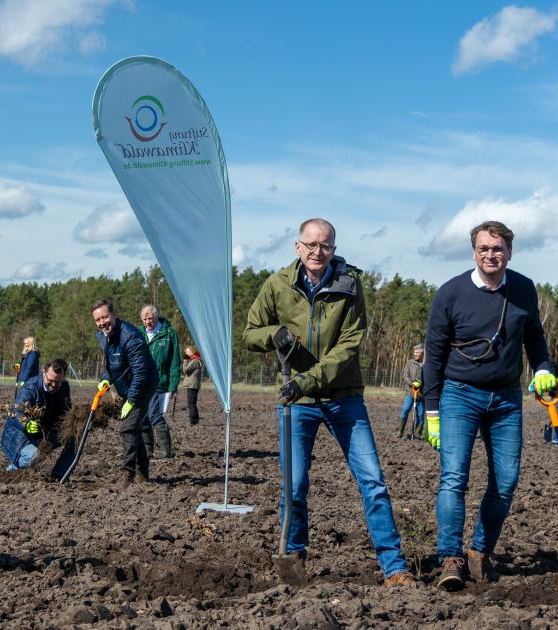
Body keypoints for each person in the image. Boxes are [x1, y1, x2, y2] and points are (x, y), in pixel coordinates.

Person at [243, 217, 415, 587]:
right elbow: (249, 333)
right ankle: (293, 554)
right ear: (298, 247)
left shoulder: (350, 285)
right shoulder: (276, 285)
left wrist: (309, 379)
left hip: (343, 397)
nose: (318, 252)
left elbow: (350, 344)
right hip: (296, 401)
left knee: (373, 481)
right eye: (312, 245)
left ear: (334, 249)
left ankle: (394, 566)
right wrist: (276, 334)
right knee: (294, 484)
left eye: (326, 246)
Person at [423, 220, 555, 591]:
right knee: (454, 478)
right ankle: (451, 556)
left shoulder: (524, 290)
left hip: (507, 400)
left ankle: (481, 550)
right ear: (473, 252)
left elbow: (536, 341)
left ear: (509, 252)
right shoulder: (450, 293)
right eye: (483, 248)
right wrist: (432, 411)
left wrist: (544, 369)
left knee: (507, 481)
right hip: (459, 395)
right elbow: (433, 356)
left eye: (497, 249)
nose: (490, 255)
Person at [92, 299, 157, 484]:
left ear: (113, 315)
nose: (102, 322)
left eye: (105, 317)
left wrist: (131, 400)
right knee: (134, 428)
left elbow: (140, 372)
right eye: (98, 319)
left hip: (143, 384)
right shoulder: (103, 335)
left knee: (128, 426)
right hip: (127, 384)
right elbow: (113, 363)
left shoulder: (131, 336)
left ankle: (127, 472)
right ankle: (142, 473)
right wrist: (105, 378)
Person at [1, 358, 73, 471]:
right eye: (50, 380)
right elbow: (16, 412)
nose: (54, 385)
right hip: (20, 435)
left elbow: (67, 409)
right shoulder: (30, 388)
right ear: (43, 372)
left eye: (58, 381)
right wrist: (27, 424)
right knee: (33, 456)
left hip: (45, 432)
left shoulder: (64, 386)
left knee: (75, 438)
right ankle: (14, 469)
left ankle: (58, 476)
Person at [139, 304, 180, 459]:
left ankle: (165, 450)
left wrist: (173, 385)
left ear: (156, 317)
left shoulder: (169, 334)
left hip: (159, 382)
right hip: (141, 382)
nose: (148, 322)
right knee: (142, 416)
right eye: (145, 319)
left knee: (155, 414)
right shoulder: (139, 333)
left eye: (150, 318)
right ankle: (148, 450)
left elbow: (174, 361)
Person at [398, 344, 425, 439]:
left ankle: (417, 434)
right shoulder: (410, 363)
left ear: (422, 353)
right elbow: (405, 376)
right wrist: (412, 384)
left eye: (417, 353)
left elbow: (429, 379)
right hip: (410, 392)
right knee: (405, 410)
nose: (415, 354)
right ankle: (400, 432)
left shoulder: (427, 365)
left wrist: (420, 384)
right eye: (414, 353)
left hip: (421, 395)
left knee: (421, 416)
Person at [180, 345, 203, 425]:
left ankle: (193, 421)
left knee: (191, 404)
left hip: (192, 385)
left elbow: (185, 370)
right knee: (192, 403)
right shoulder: (195, 360)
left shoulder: (195, 361)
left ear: (192, 351)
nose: (186, 353)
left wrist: (185, 360)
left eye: (187, 351)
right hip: (192, 384)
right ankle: (195, 420)